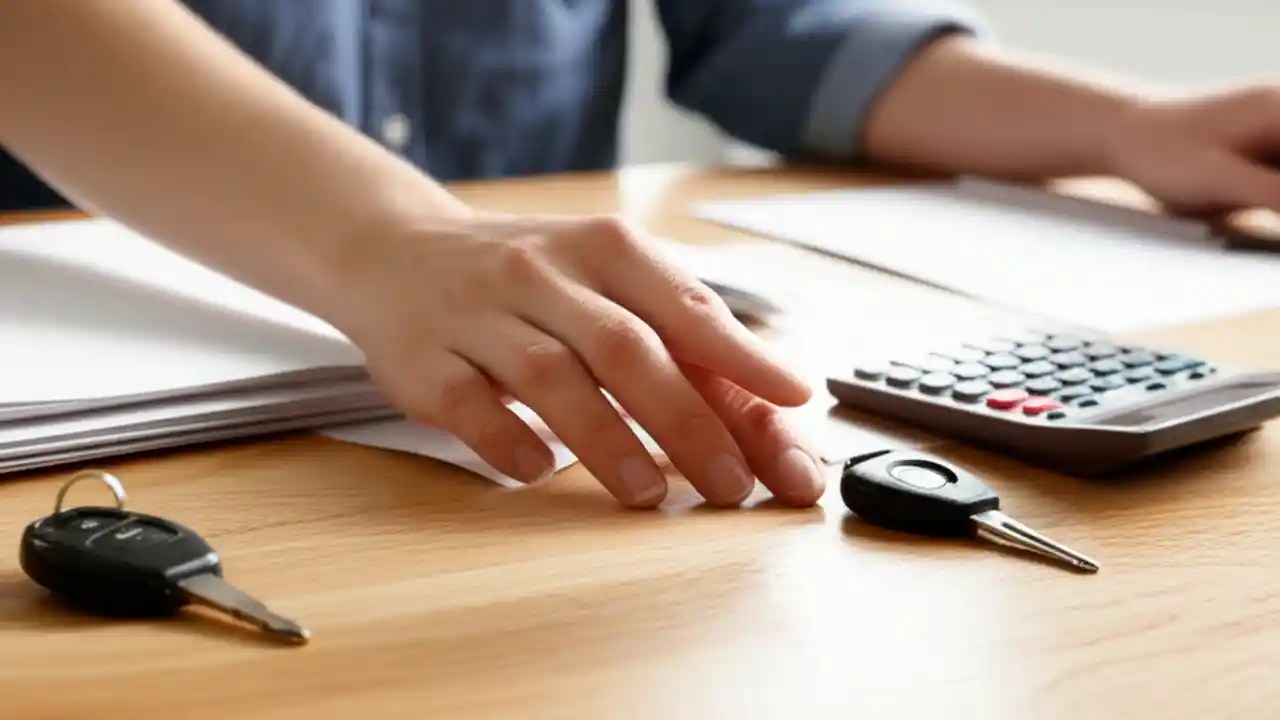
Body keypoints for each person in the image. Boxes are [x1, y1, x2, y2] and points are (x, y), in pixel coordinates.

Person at [3, 1, 1279, 510]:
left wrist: (1124, 128)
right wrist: (385, 237)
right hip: (106, 420)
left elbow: (773, 27)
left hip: (518, 412)